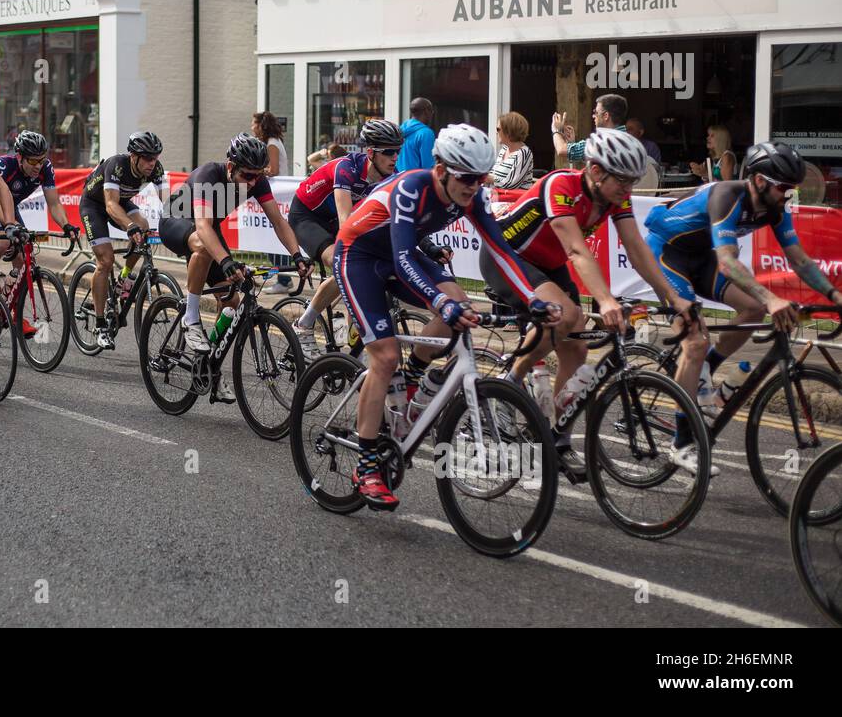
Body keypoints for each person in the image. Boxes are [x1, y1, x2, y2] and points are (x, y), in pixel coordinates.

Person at [333, 124, 555, 509]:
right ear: (441, 170)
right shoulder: (410, 188)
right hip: (360, 256)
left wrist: (532, 299)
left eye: (481, 178)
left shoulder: (472, 196)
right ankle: (366, 464)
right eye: (467, 178)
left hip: (398, 256)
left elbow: (502, 251)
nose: (474, 186)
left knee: (460, 307)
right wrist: (439, 302)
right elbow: (404, 261)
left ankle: (418, 375)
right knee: (384, 357)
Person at [482, 128, 696, 478]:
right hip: (507, 257)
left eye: (632, 182)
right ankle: (508, 385)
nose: (627, 190)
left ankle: (558, 439)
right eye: (623, 181)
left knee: (576, 352)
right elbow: (576, 251)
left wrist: (673, 299)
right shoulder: (560, 186)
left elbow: (637, 249)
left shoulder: (615, 196)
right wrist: (607, 300)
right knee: (567, 317)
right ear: (596, 172)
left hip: (547, 266)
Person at [645, 142, 842, 473]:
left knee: (752, 309)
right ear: (760, 181)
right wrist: (772, 297)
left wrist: (834, 295)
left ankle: (705, 370)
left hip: (701, 256)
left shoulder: (775, 209)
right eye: (784, 188)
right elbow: (727, 263)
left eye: (791, 189)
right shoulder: (726, 195)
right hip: (668, 253)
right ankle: (680, 443)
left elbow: (799, 260)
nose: (787, 195)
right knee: (694, 341)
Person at [158, 133, 312, 359]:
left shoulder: (256, 182)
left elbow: (278, 222)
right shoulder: (208, 174)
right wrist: (226, 261)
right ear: (231, 166)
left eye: (258, 176)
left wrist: (297, 255)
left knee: (231, 300)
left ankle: (209, 361)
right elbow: (202, 225)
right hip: (176, 221)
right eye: (247, 175)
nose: (252, 183)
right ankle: (190, 318)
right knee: (203, 247)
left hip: (207, 229)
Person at [288, 119, 403, 358]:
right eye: (389, 152)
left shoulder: (392, 176)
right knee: (342, 261)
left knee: (365, 265)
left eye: (398, 151)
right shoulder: (347, 168)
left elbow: (402, 218)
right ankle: (304, 323)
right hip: (307, 216)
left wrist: (427, 246)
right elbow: (346, 221)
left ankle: (353, 339)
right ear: (371, 152)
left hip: (331, 219)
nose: (395, 157)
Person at [0, 130, 80, 336]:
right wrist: (10, 225)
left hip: (9, 208)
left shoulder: (45, 168)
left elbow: (54, 203)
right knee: (1, 244)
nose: (38, 165)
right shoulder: (4, 165)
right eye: (33, 161)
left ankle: (11, 310)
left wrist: (67, 225)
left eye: (41, 160)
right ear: (20, 157)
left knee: (26, 258)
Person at [79, 132, 168, 350]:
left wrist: (176, 222)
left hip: (122, 202)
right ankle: (100, 325)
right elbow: (110, 205)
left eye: (155, 157)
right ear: (133, 156)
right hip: (95, 205)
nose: (152, 163)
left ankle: (123, 279)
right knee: (106, 260)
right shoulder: (116, 165)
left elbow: (168, 201)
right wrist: (129, 226)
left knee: (144, 228)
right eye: (147, 158)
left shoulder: (156, 168)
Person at [253, 110, 294, 294]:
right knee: (268, 237)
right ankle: (282, 277)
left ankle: (284, 279)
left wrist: (256, 170)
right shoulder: (272, 142)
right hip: (275, 195)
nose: (252, 127)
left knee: (272, 238)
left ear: (262, 125)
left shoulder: (271, 144)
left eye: (254, 123)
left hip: (275, 196)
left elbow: (274, 169)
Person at [553, 93, 627, 164]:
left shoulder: (604, 143)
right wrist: (572, 144)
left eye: (596, 112)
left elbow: (562, 150)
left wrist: (556, 130)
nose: (593, 116)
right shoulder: (629, 139)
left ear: (606, 116)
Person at [491, 111, 535, 190]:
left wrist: (490, 179)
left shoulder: (523, 153)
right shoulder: (504, 150)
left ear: (508, 131)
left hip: (516, 201)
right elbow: (493, 174)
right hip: (498, 198)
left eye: (498, 129)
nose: (496, 132)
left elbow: (512, 185)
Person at [395, 97, 435, 172]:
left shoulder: (400, 130)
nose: (432, 113)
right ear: (426, 111)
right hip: (415, 181)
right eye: (431, 110)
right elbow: (428, 167)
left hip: (397, 180)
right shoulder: (426, 133)